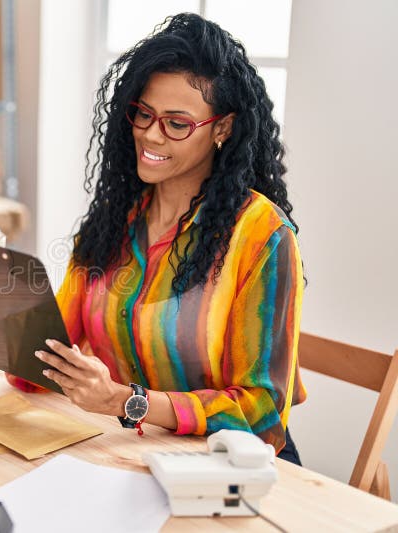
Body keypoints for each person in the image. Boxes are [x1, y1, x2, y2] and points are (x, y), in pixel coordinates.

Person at [21, 12, 306, 464]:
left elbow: (262, 413)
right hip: (134, 452)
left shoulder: (262, 236)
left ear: (222, 129)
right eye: (144, 114)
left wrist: (125, 401)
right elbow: (48, 358)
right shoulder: (114, 221)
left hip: (231, 466)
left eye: (177, 123)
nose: (150, 134)